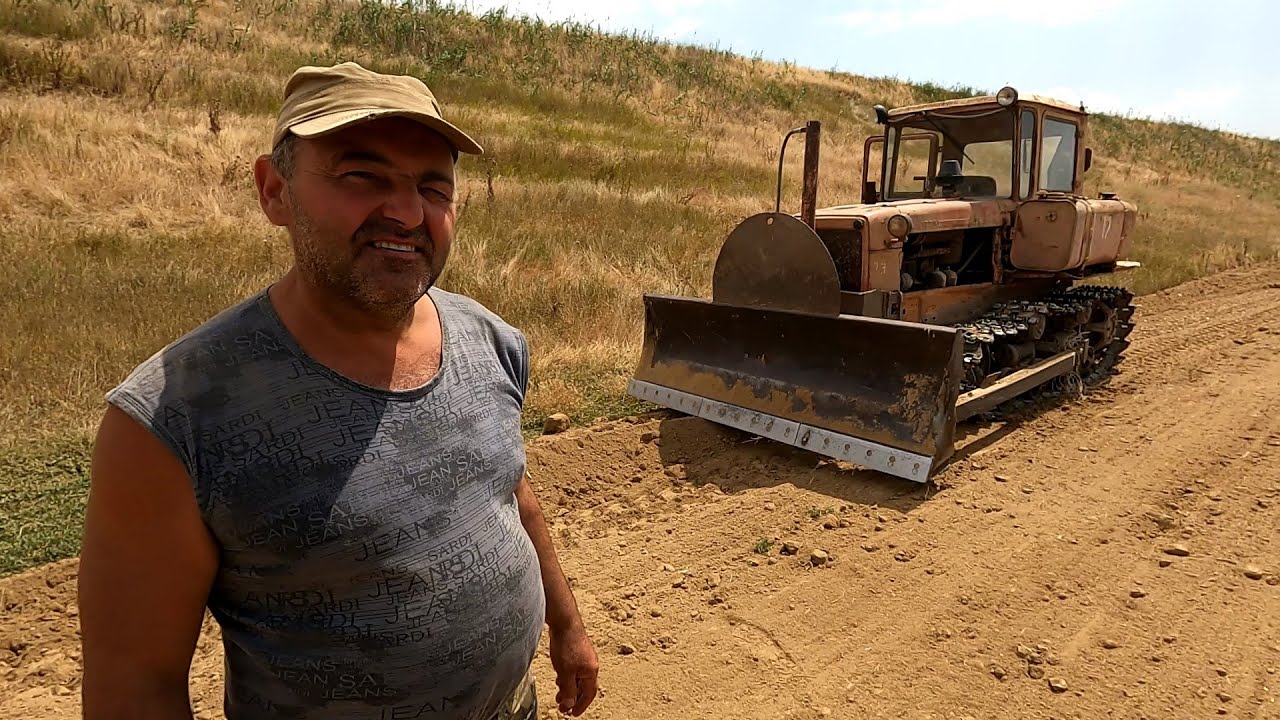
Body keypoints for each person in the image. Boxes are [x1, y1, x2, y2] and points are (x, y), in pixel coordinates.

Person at [77, 61, 599, 720]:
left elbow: (512, 495)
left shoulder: (490, 340)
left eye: (433, 187)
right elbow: (133, 691)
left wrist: (567, 626)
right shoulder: (173, 420)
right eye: (361, 176)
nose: (407, 212)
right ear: (274, 192)